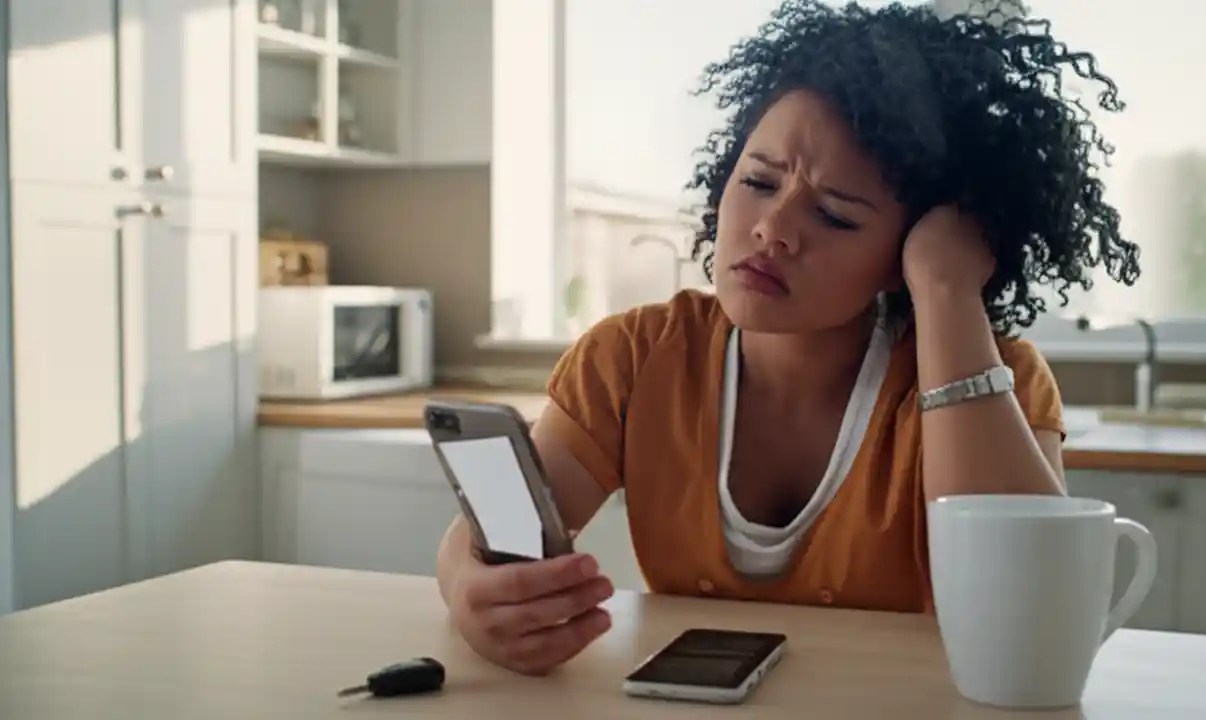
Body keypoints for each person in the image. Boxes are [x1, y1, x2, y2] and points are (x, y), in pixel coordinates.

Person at [437, 0, 1140, 676]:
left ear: (906, 252)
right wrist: (467, 589)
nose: (773, 228)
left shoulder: (993, 377)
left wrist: (947, 291)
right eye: (758, 180)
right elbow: (483, 538)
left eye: (835, 216)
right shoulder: (633, 357)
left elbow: (1031, 615)